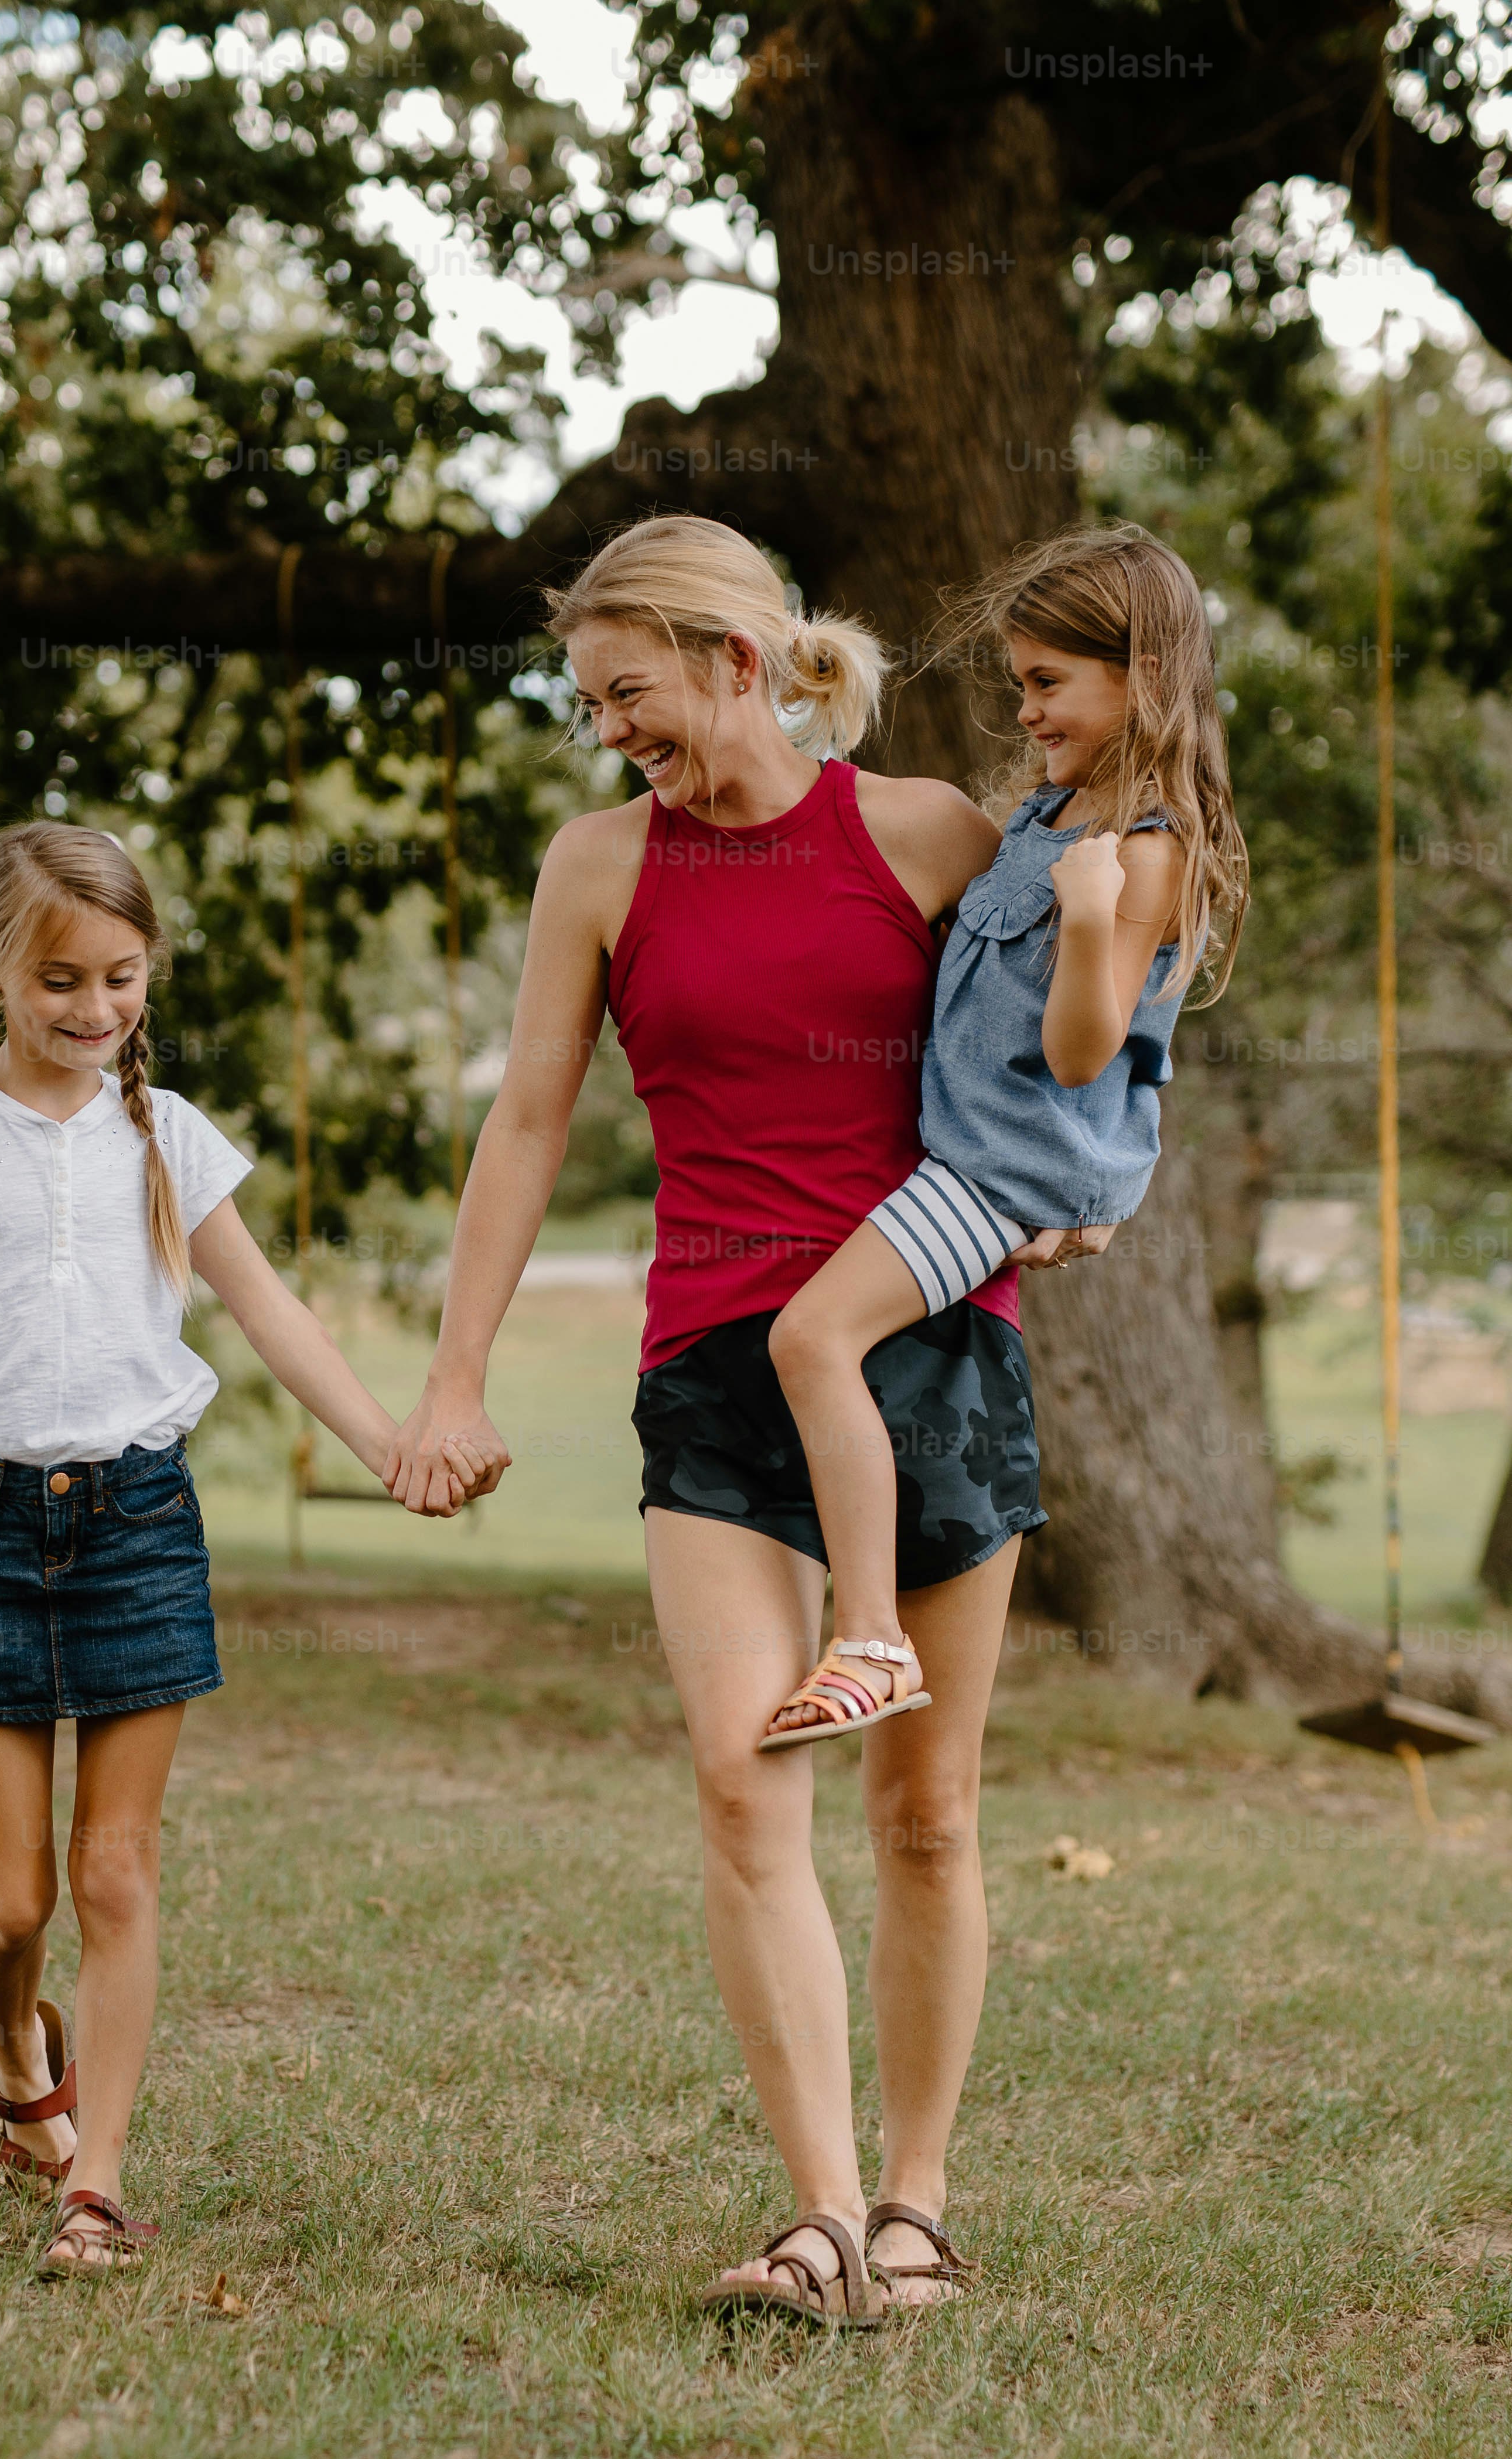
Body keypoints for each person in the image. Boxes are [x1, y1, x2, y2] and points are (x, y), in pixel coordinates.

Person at [383, 513, 1074, 2325]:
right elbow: (528, 1122)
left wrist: (1086, 1188)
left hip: (931, 1352)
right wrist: (456, 1372)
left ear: (738, 664)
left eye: (634, 693)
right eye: (592, 700)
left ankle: (921, 2201)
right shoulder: (600, 867)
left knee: (927, 1811)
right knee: (741, 1782)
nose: (615, 730)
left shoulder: (927, 835)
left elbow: (1069, 1042)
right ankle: (825, 2216)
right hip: (708, 1365)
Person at [0, 822, 400, 2277]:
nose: (93, 1008)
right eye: (59, 977)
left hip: (141, 1521)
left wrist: (383, 1444)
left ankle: (99, 2179)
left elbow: (271, 1309)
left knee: (118, 1874)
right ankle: (24, 2062)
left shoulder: (170, 1133)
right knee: (16, 1897)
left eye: (121, 977)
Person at [759, 527, 1248, 1746]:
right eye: (1018, 680)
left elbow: (1083, 1050)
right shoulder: (1053, 811)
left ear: (1138, 676)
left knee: (812, 1337)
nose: (1024, 708)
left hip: (1002, 1164)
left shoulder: (1143, 849)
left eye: (1046, 683)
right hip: (972, 1148)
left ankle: (869, 1636)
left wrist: (1090, 924)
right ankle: (866, 1615)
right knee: (831, 1346)